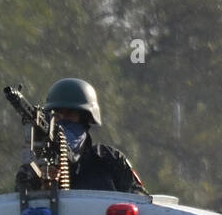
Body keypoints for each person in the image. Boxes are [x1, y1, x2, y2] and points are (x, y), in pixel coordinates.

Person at [17, 78, 147, 195]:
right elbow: (20, 209)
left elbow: (140, 199)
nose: (62, 121)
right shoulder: (35, 169)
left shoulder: (109, 160)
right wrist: (42, 183)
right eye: (57, 115)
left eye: (70, 114)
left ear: (86, 119)